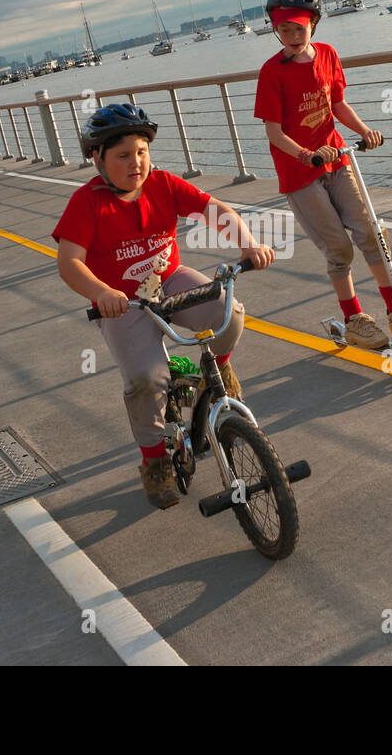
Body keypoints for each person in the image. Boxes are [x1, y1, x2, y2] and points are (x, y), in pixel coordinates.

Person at [53, 104, 275, 510]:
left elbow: (214, 210)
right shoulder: (87, 203)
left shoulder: (164, 184)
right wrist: (102, 292)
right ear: (97, 158)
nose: (136, 163)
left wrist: (248, 244)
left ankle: (217, 370)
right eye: (123, 155)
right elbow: (68, 262)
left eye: (142, 151)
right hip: (123, 304)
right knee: (146, 379)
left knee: (229, 314)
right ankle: (155, 464)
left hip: (170, 282)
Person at [253, 0, 392, 350]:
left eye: (298, 27)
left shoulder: (329, 55)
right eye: (283, 28)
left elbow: (336, 105)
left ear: (312, 24)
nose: (291, 34)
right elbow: (273, 132)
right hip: (300, 173)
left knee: (370, 233)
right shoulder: (273, 72)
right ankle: (353, 319)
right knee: (340, 249)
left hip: (336, 161)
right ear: (275, 28)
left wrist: (366, 131)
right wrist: (306, 154)